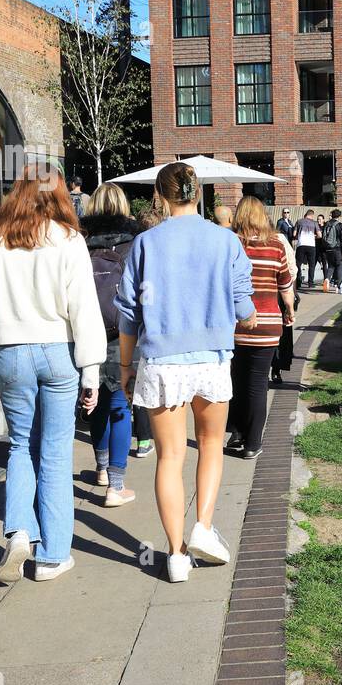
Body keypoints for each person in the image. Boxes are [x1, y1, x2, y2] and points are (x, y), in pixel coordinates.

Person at [0, 161, 107, 584]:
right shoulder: (67, 239)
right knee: (57, 452)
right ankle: (53, 556)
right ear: (60, 193)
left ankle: (21, 529)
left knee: (20, 446)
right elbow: (84, 309)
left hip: (8, 351)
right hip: (58, 350)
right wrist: (92, 370)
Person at [115, 161, 256, 583]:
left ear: (160, 196)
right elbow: (242, 304)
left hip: (162, 361)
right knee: (211, 445)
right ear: (200, 194)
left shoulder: (145, 243)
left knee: (169, 457)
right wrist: (245, 320)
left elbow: (128, 314)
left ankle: (176, 555)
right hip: (211, 358)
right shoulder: (224, 240)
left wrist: (126, 367)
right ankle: (204, 528)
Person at [81, 182, 141, 508]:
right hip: (123, 334)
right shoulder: (134, 243)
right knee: (121, 408)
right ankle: (116, 486)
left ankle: (102, 469)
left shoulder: (79, 241)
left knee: (95, 404)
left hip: (86, 333)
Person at [227, 196, 295, 457]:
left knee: (237, 380)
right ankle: (253, 444)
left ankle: (239, 432)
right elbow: (285, 283)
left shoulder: (231, 244)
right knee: (257, 383)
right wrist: (289, 310)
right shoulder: (276, 244)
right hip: (267, 323)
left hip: (235, 324)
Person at [131, 207, 164, 458]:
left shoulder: (133, 250)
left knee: (138, 387)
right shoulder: (165, 252)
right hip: (162, 332)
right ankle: (151, 434)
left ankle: (143, 439)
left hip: (137, 328)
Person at [272, 225, 298, 386]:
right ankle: (277, 367)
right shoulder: (279, 239)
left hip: (254, 293)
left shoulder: (240, 238)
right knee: (280, 330)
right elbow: (291, 267)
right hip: (279, 291)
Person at [320, 208, 342, 293]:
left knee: (331, 266)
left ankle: (327, 279)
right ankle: (338, 287)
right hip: (337, 248)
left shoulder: (326, 224)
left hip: (327, 249)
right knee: (339, 266)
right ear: (339, 216)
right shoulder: (340, 225)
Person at [294, 209, 320, 289]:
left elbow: (294, 233)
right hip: (311, 245)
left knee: (298, 264)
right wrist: (313, 236)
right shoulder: (315, 223)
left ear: (306, 214)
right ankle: (310, 283)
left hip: (301, 245)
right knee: (311, 265)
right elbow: (320, 235)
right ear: (312, 215)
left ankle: (298, 282)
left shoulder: (299, 221)